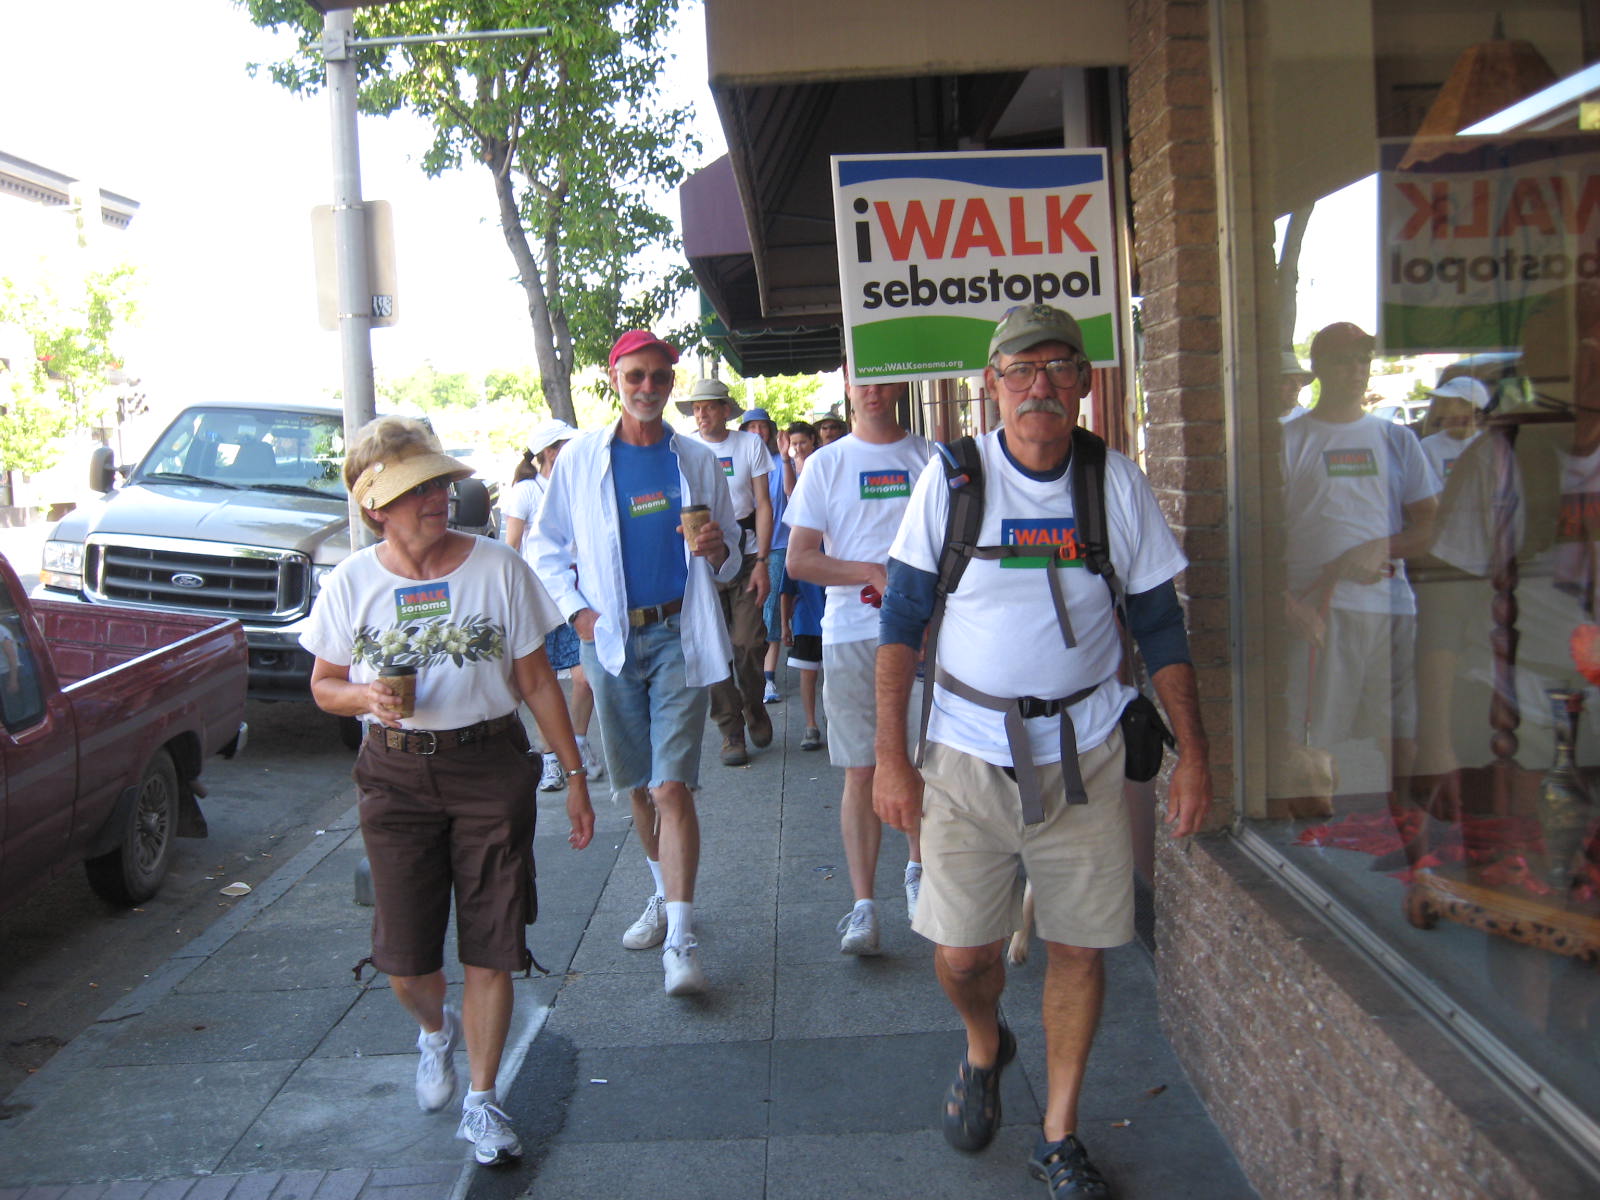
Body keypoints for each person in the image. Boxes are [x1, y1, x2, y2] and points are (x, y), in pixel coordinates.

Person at [872, 303, 1213, 1198]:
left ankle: (1059, 1133)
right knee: (963, 955)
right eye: (1020, 372)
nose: (1040, 388)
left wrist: (1196, 758)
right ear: (991, 386)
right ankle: (986, 1043)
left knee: (1080, 946)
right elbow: (903, 621)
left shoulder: (1114, 483)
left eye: (1059, 369)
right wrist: (892, 760)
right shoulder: (952, 482)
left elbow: (1159, 626)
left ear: (1085, 385)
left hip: (1091, 748)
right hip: (965, 750)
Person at [300, 416, 595, 1168]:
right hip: (395, 777)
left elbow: (535, 677)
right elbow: (324, 684)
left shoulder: (497, 566)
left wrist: (576, 772)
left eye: (440, 482)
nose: (440, 496)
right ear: (377, 508)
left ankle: (483, 1100)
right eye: (418, 489)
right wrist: (367, 699)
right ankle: (435, 1034)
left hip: (490, 767)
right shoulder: (353, 581)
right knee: (405, 961)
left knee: (493, 943)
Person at [531, 331, 741, 996]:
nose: (648, 389)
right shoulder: (583, 460)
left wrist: (715, 550)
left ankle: (681, 939)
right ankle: (662, 892)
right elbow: (545, 546)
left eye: (659, 378)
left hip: (681, 632)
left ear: (671, 386)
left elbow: (734, 553)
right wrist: (578, 614)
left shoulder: (695, 461)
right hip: (613, 642)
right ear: (614, 380)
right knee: (637, 789)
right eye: (636, 377)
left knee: (672, 785)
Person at [785, 378, 932, 956]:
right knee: (860, 770)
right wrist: (870, 573)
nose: (872, 391)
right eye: (859, 380)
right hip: (849, 634)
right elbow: (800, 560)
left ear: (899, 379)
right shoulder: (825, 464)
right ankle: (863, 906)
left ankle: (918, 872)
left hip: (920, 636)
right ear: (848, 386)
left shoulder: (926, 457)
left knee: (923, 759)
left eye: (881, 377)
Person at [1281, 322, 1440, 838]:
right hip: (1323, 614)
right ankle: (1314, 844)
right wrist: (1291, 606)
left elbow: (1430, 526)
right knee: (1316, 737)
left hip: (1393, 608)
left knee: (1400, 728)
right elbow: (1257, 536)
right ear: (1320, 369)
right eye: (1344, 360)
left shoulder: (1397, 440)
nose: (1355, 370)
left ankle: (1406, 826)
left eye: (1362, 360)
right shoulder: (1292, 440)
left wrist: (1383, 546)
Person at [501, 418, 607, 791]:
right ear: (549, 453)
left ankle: (575, 743)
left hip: (577, 591)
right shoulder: (527, 492)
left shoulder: (578, 484)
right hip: (538, 597)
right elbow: (512, 548)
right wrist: (510, 599)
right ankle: (549, 758)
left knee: (585, 676)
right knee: (540, 680)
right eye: (564, 445)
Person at [678, 378, 773, 766]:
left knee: (749, 642)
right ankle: (730, 728)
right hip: (701, 559)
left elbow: (764, 504)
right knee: (712, 647)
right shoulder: (683, 451)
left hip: (746, 552)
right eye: (697, 408)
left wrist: (764, 560)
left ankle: (753, 703)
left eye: (710, 407)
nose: (702, 414)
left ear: (725, 410)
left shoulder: (749, 445)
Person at [738, 405, 791, 704]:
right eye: (751, 427)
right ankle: (750, 674)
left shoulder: (776, 461)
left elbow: (788, 493)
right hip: (743, 549)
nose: (758, 432)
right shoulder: (735, 461)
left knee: (769, 609)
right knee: (746, 614)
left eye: (763, 427)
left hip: (777, 546)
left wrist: (785, 459)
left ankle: (768, 678)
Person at [781, 420, 826, 749]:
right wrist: (784, 623)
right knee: (808, 672)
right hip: (809, 618)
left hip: (837, 616)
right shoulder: (799, 546)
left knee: (840, 675)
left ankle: (835, 720)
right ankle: (811, 723)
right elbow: (788, 585)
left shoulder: (837, 541)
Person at [1418, 375, 1490, 483]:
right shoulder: (1427, 447)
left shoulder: (1490, 446)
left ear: (1473, 408)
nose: (1443, 411)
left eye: (1448, 404)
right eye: (1441, 403)